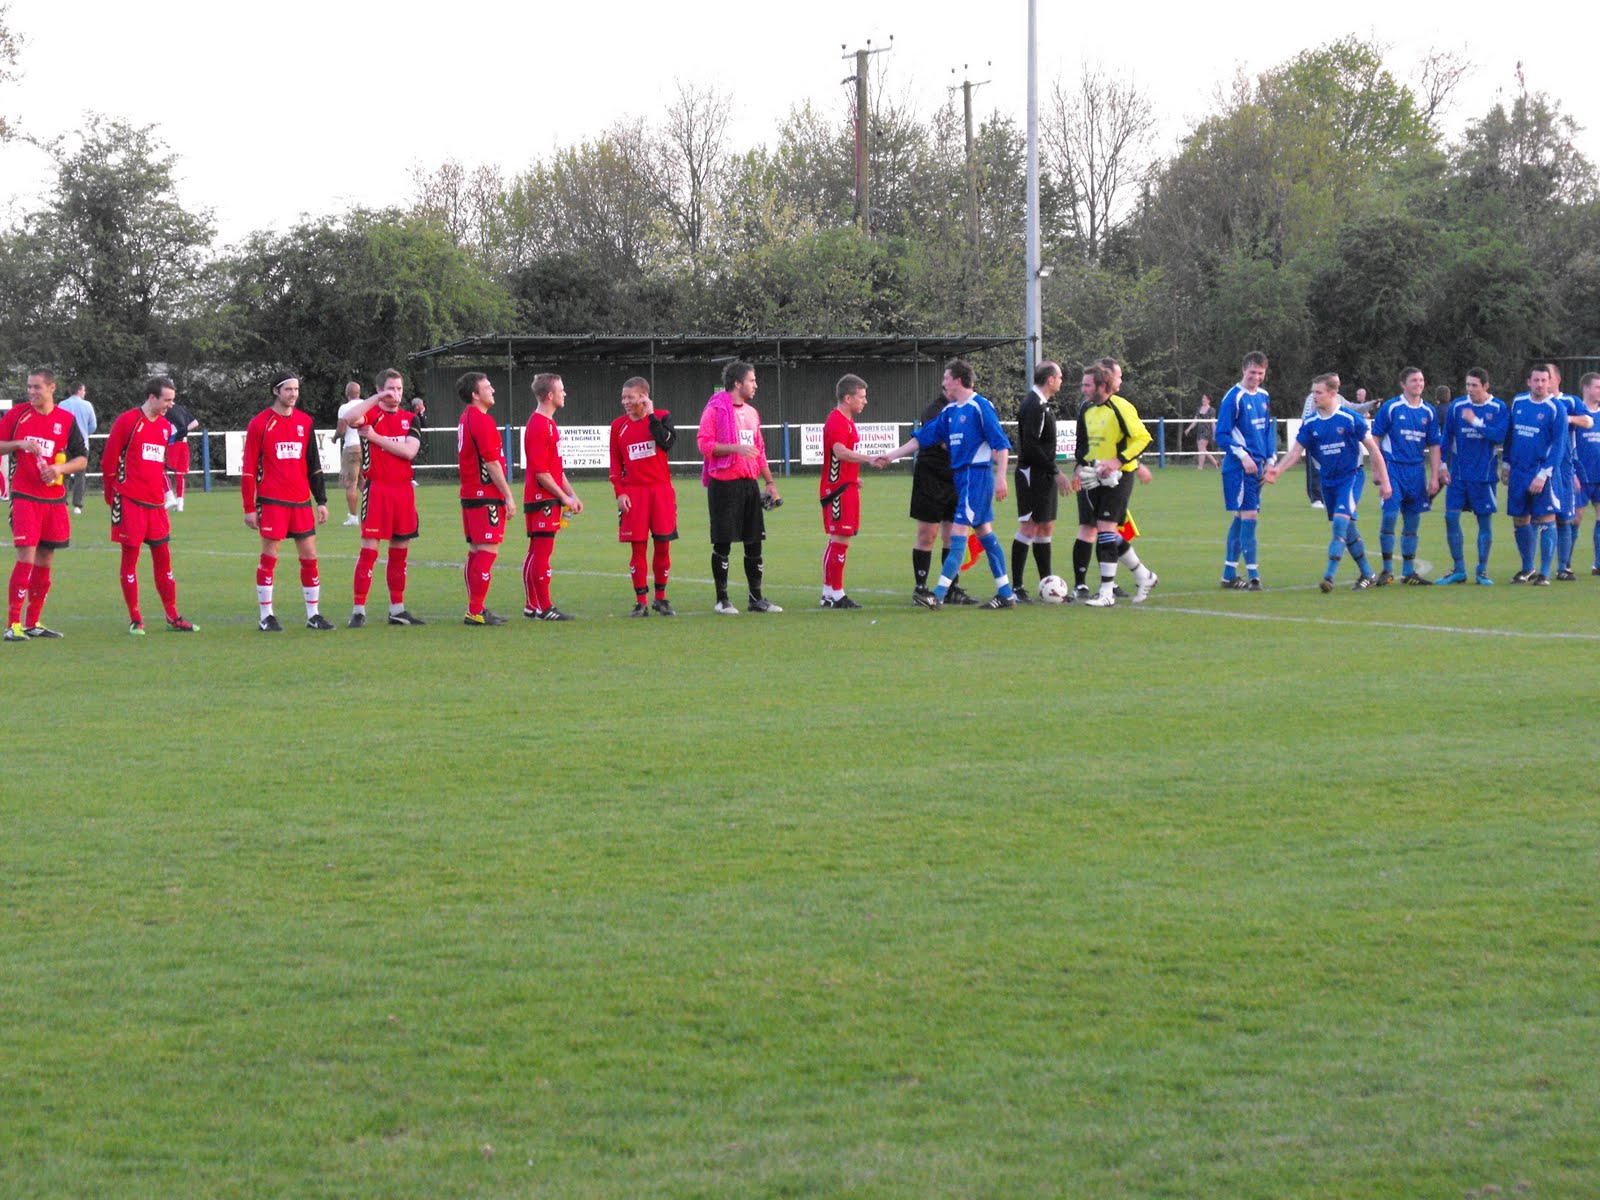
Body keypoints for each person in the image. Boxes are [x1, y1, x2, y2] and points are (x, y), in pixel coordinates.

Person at [876, 360, 1015, 608]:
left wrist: (1002, 477)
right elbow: (922, 439)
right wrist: (891, 456)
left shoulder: (979, 406)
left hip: (976, 477)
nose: (943, 382)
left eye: (946, 378)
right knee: (985, 534)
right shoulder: (950, 412)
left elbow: (1001, 444)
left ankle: (938, 595)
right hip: (962, 479)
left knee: (958, 535)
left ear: (958, 380)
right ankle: (1005, 593)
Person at [1265, 374, 1392, 591]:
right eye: (1313, 392)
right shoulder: (1311, 423)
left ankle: (1329, 576)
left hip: (1351, 477)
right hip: (1328, 482)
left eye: (1318, 392)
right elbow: (1296, 452)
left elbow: (1373, 450)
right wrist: (1278, 469)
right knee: (1348, 529)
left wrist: (1385, 482)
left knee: (1341, 523)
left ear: (1332, 393)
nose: (1314, 396)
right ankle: (1368, 573)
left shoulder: (1350, 419)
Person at [100, 376, 198, 633]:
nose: (170, 405)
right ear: (152, 397)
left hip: (156, 506)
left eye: (172, 400)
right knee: (130, 560)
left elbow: (157, 466)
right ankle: (136, 619)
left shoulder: (165, 427)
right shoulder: (127, 421)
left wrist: (166, 495)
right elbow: (109, 461)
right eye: (167, 400)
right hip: (130, 502)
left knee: (164, 561)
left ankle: (173, 616)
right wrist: (112, 496)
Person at [0, 368, 90, 640]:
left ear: (51, 388)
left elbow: (82, 458)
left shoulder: (66, 419)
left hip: (54, 500)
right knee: (26, 556)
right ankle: (12, 625)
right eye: (29, 387)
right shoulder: (17, 414)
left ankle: (33, 622)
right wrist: (21, 444)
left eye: (37, 387)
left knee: (46, 559)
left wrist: (58, 470)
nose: (31, 392)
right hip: (25, 496)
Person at [242, 371, 332, 631]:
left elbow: (313, 464)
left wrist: (321, 500)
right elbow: (248, 469)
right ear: (276, 392)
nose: (293, 394)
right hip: (272, 501)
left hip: (301, 501)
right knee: (270, 557)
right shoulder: (260, 423)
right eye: (288, 390)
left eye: (296, 389)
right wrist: (249, 507)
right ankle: (266, 616)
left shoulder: (305, 421)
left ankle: (313, 615)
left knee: (310, 557)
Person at [338, 368, 425, 627]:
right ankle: (358, 610)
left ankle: (397, 609)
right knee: (369, 552)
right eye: (390, 388)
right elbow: (349, 417)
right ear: (378, 389)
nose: (395, 394)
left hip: (403, 491)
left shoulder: (411, 419)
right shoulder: (370, 414)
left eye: (399, 389)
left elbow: (409, 452)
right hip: (377, 490)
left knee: (400, 553)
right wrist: (376, 400)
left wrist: (376, 438)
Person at [696, 361, 782, 615]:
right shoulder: (715, 410)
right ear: (737, 383)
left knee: (754, 542)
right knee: (723, 543)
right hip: (723, 484)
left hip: (749, 485)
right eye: (752, 380)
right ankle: (722, 600)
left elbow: (760, 452)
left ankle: (756, 599)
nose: (755, 385)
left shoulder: (752, 413)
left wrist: (770, 483)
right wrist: (735, 448)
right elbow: (704, 444)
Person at [1069, 364, 1157, 607]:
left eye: (1087, 384)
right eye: (1083, 384)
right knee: (1107, 532)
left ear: (1103, 386)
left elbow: (1143, 438)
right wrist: (1083, 467)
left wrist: (1118, 461)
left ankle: (1106, 593)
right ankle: (1143, 575)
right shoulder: (1087, 410)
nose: (1083, 389)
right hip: (1095, 478)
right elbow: (1083, 446)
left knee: (1106, 529)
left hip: (1119, 477)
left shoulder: (1121, 407)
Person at [608, 376, 678, 616]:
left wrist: (650, 416)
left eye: (631, 397)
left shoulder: (662, 416)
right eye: (623, 397)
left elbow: (667, 443)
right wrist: (620, 493)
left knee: (663, 547)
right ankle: (641, 602)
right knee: (637, 550)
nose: (625, 401)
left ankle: (661, 598)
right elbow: (615, 466)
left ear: (644, 397)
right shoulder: (618, 426)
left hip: (661, 492)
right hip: (634, 494)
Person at [1436, 368, 1509, 585]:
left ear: (1486, 386)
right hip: (1458, 475)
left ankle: (1482, 570)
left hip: (1484, 476)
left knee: (1484, 523)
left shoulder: (1498, 407)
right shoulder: (1457, 406)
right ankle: (1459, 569)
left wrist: (1476, 421)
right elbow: (1447, 436)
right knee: (1450, 517)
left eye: (1474, 385)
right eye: (1467, 385)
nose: (1470, 389)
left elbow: (1499, 435)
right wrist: (1442, 465)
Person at [1371, 368, 1443, 584]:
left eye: (1421, 380)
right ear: (1403, 384)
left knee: (1412, 522)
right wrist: (1377, 470)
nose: (1418, 383)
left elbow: (1434, 446)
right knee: (1390, 517)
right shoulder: (1392, 408)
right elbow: (1374, 439)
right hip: (1393, 469)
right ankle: (1387, 570)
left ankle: (1409, 572)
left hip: (1416, 472)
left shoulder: (1429, 412)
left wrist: (1434, 477)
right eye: (1414, 380)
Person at [521, 372, 584, 621]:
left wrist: (571, 494)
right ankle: (545, 607)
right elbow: (540, 473)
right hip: (541, 499)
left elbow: (556, 469)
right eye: (561, 390)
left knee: (537, 551)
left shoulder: (549, 424)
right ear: (549, 395)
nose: (564, 393)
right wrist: (563, 497)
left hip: (547, 497)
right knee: (542, 553)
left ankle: (532, 605)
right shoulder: (537, 425)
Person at [456, 371, 517, 624]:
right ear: (475, 394)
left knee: (475, 552)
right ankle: (475, 610)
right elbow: (491, 463)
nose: (492, 390)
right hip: (484, 496)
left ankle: (476, 607)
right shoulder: (481, 420)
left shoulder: (466, 418)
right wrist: (508, 497)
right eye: (487, 386)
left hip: (470, 494)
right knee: (487, 551)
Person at [906, 390, 977, 604]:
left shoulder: (967, 408)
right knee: (927, 534)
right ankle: (921, 587)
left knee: (953, 535)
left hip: (955, 477)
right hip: (931, 477)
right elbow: (946, 442)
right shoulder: (935, 410)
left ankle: (950, 588)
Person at [1214, 350, 1274, 589]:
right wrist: (1243, 455)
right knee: (1250, 516)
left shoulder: (1263, 396)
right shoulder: (1233, 398)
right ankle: (1254, 576)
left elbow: (1267, 430)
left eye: (1260, 373)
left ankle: (1229, 575)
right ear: (1244, 370)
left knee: (1241, 518)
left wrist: (1270, 459)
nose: (1256, 377)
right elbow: (1222, 434)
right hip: (1239, 469)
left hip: (1258, 467)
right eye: (1252, 373)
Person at [1010, 361, 1070, 602]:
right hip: (1032, 474)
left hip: (1042, 474)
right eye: (1060, 377)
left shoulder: (1041, 405)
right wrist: (1056, 471)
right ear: (1050, 380)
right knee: (1029, 527)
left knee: (1045, 526)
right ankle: (1016, 587)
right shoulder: (1033, 405)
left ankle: (1048, 585)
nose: (1062, 381)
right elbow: (1031, 446)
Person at [819, 373, 880, 608]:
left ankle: (828, 593)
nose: (865, 401)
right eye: (861, 397)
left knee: (839, 540)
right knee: (840, 539)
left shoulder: (847, 421)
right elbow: (840, 452)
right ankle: (837, 593)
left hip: (846, 486)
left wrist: (854, 477)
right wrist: (869, 459)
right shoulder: (836, 420)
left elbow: (843, 460)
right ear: (847, 398)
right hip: (837, 491)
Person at [1502, 364, 1566, 585]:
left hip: (1542, 472)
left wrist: (1543, 474)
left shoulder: (1556, 408)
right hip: (1518, 471)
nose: (1540, 385)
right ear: (1529, 382)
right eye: (1536, 380)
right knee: (1520, 519)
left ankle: (1545, 573)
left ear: (1550, 382)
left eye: (1543, 380)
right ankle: (1527, 567)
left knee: (1546, 518)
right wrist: (1507, 464)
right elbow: (1510, 436)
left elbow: (1558, 446)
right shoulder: (1518, 402)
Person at [1546, 363, 1593, 580]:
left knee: (1564, 517)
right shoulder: (1526, 402)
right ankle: (1532, 567)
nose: (1543, 382)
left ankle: (1563, 566)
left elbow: (1588, 420)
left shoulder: (1570, 401)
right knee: (1533, 518)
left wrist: (1569, 419)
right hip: (1537, 467)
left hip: (1564, 469)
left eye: (1547, 377)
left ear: (1557, 379)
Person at [1574, 372, 1600, 575]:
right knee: (1575, 519)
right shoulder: (1578, 414)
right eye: (1597, 387)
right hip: (1580, 477)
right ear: (1586, 388)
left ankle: (1598, 564)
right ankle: (1565, 564)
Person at [57, 380, 96, 514]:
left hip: (65, 444)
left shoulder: (63, 404)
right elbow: (93, 425)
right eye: (84, 390)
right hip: (82, 445)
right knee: (80, 475)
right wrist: (84, 434)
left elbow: (58, 423)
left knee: (64, 472)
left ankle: (62, 501)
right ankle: (78, 505)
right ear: (79, 390)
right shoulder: (87, 405)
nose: (85, 393)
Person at [162, 396, 200, 510]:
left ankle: (170, 497)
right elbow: (195, 422)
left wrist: (178, 434)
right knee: (180, 474)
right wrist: (184, 432)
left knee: (160, 469)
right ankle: (180, 504)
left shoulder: (167, 410)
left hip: (173, 443)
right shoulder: (180, 409)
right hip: (184, 444)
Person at [334, 381, 363, 525]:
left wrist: (334, 439)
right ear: (359, 393)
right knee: (364, 482)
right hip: (366, 446)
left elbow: (341, 430)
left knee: (351, 484)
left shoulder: (344, 408)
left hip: (351, 447)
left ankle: (353, 517)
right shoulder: (367, 405)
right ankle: (375, 512)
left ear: (347, 394)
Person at [1299, 389, 1324, 507]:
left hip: (1326, 436)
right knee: (1313, 467)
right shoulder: (1311, 397)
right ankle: (1316, 498)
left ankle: (1325, 496)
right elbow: (1306, 417)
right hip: (1312, 434)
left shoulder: (1337, 398)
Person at [1184, 394, 1219, 469]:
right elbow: (1195, 420)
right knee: (1202, 449)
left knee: (1202, 448)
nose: (1203, 399)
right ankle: (1215, 463)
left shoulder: (1211, 410)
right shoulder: (1199, 409)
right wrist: (1189, 429)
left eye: (1205, 398)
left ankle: (1200, 467)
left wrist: (1214, 434)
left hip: (1206, 431)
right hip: (1199, 431)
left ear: (1208, 400)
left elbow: (1213, 423)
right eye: (1203, 398)